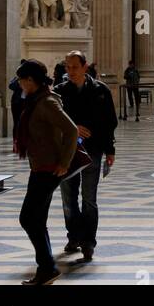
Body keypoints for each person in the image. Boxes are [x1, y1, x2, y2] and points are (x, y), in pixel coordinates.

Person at [15, 59, 79, 286]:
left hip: (49, 169)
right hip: (41, 167)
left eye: (22, 80)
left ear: (30, 80)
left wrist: (65, 161)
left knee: (28, 217)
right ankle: (46, 269)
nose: (20, 85)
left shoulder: (46, 102)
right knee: (36, 219)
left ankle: (47, 267)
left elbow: (71, 130)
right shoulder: (37, 100)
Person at [55, 50, 118, 261]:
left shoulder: (101, 90)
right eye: (67, 67)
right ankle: (74, 236)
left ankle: (88, 243)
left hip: (92, 150)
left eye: (74, 67)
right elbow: (51, 123)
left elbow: (110, 122)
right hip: (66, 152)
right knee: (68, 199)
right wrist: (73, 128)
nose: (70, 71)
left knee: (89, 198)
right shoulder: (58, 91)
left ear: (85, 67)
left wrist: (110, 150)